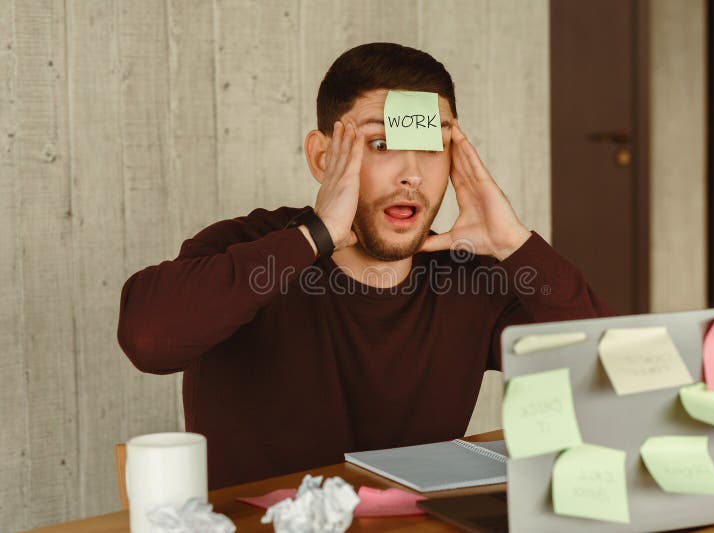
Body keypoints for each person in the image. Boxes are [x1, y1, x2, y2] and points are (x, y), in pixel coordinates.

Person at [117, 42, 614, 490]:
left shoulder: (473, 279)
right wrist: (314, 236)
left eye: (432, 147)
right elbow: (148, 340)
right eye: (381, 144)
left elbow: (606, 375)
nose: (411, 175)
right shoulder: (248, 247)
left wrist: (515, 244)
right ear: (322, 158)